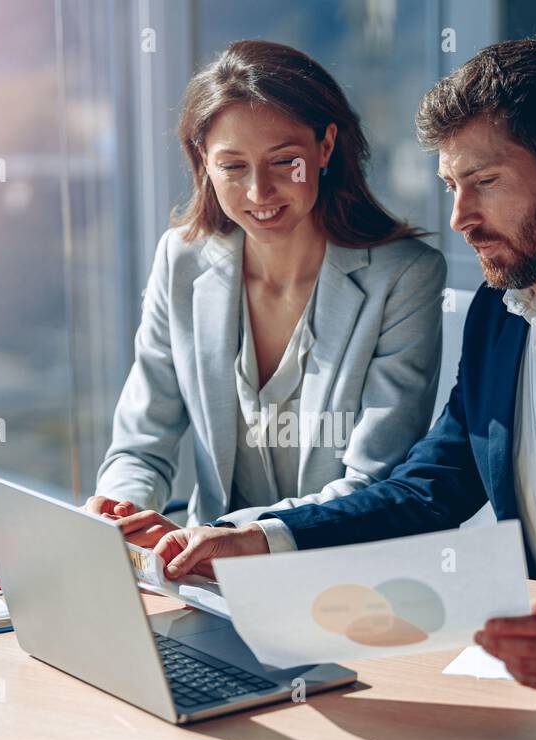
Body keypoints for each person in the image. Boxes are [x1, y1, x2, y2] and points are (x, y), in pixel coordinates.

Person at [154, 39, 536, 693]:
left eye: (484, 182)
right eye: (452, 186)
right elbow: (426, 492)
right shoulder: (498, 314)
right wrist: (259, 539)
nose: (459, 218)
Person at [87, 40, 446, 544]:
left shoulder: (405, 276)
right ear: (203, 161)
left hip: (337, 568)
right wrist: (119, 508)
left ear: (325, 147)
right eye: (233, 167)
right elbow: (140, 447)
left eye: (284, 162)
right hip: (204, 574)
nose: (259, 193)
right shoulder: (181, 261)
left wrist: (233, 536)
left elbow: (373, 481)